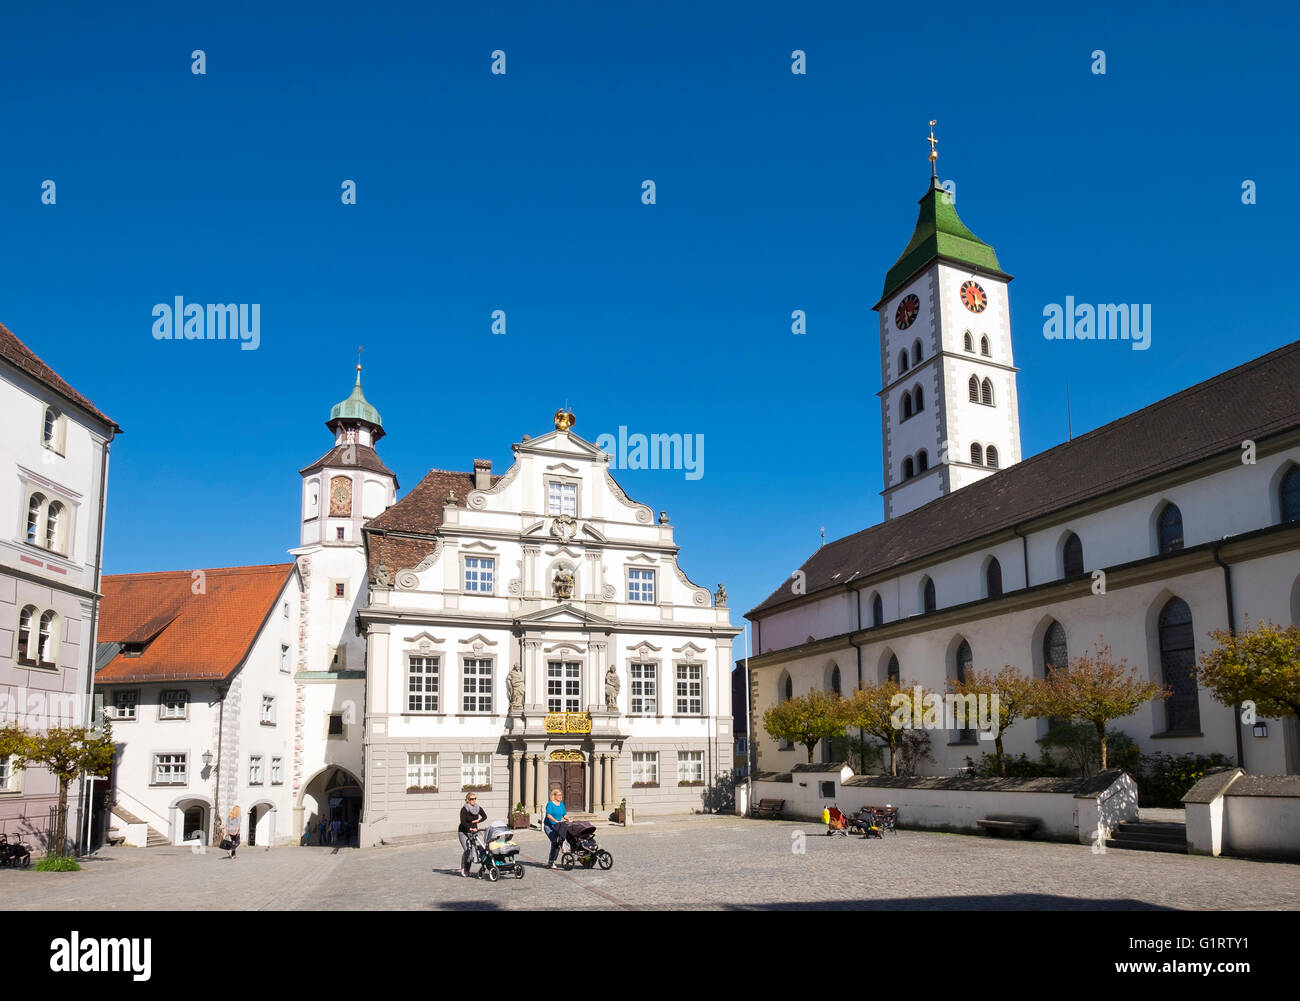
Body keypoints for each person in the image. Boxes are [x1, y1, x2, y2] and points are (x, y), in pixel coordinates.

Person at [458, 793, 486, 876]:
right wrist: (470, 828)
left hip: (473, 832)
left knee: (474, 850)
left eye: (475, 798)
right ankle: (464, 869)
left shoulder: (478, 808)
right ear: (467, 800)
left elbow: (485, 816)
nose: (473, 800)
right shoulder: (464, 809)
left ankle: (468, 869)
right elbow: (463, 822)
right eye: (471, 799)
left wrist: (478, 821)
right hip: (463, 832)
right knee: (468, 850)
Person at [544, 788, 570, 869]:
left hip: (558, 826)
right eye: (558, 795)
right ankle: (551, 862)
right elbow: (548, 815)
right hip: (549, 826)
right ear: (554, 796)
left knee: (561, 840)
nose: (560, 796)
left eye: (561, 795)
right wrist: (556, 821)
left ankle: (564, 851)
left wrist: (568, 819)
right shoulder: (550, 804)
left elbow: (564, 814)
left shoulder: (561, 804)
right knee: (555, 842)